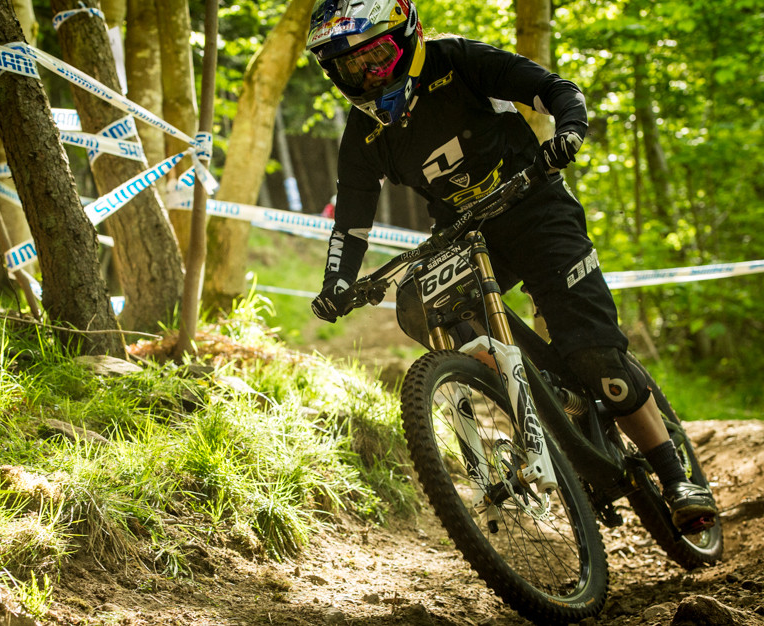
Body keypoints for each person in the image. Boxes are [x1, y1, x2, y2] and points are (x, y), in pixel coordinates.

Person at [305, 0, 716, 531]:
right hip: (465, 232)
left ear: (406, 38)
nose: (362, 73)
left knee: (597, 357)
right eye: (348, 66)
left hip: (536, 207)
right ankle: (531, 384)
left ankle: (674, 472)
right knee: (417, 301)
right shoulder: (363, 134)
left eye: (375, 56)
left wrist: (567, 129)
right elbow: (352, 225)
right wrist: (336, 284)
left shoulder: (457, 60)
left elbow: (555, 89)